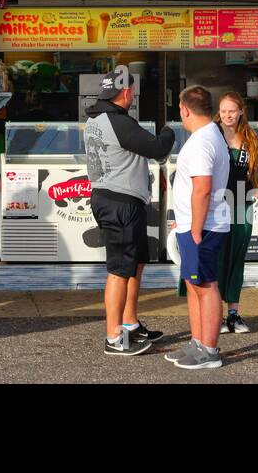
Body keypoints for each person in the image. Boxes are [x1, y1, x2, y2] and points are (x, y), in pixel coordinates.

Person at [83, 72, 176, 356]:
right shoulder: (119, 122)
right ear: (124, 93)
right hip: (119, 202)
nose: (133, 95)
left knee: (135, 263)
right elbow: (158, 147)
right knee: (119, 271)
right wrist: (169, 129)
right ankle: (114, 337)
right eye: (132, 90)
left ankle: (130, 323)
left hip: (116, 199)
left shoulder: (94, 120)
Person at [165, 85, 231, 370]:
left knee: (205, 285)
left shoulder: (202, 142)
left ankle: (210, 350)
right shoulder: (209, 135)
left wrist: (195, 228)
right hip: (196, 224)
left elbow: (202, 189)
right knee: (194, 284)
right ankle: (197, 341)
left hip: (202, 227)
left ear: (185, 109)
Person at [215, 91, 258, 334]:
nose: (227, 115)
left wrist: (256, 190)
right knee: (219, 257)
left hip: (242, 204)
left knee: (236, 258)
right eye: (223, 111)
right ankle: (215, 315)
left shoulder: (251, 138)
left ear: (241, 111)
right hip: (216, 204)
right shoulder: (211, 134)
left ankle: (233, 314)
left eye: (231, 111)